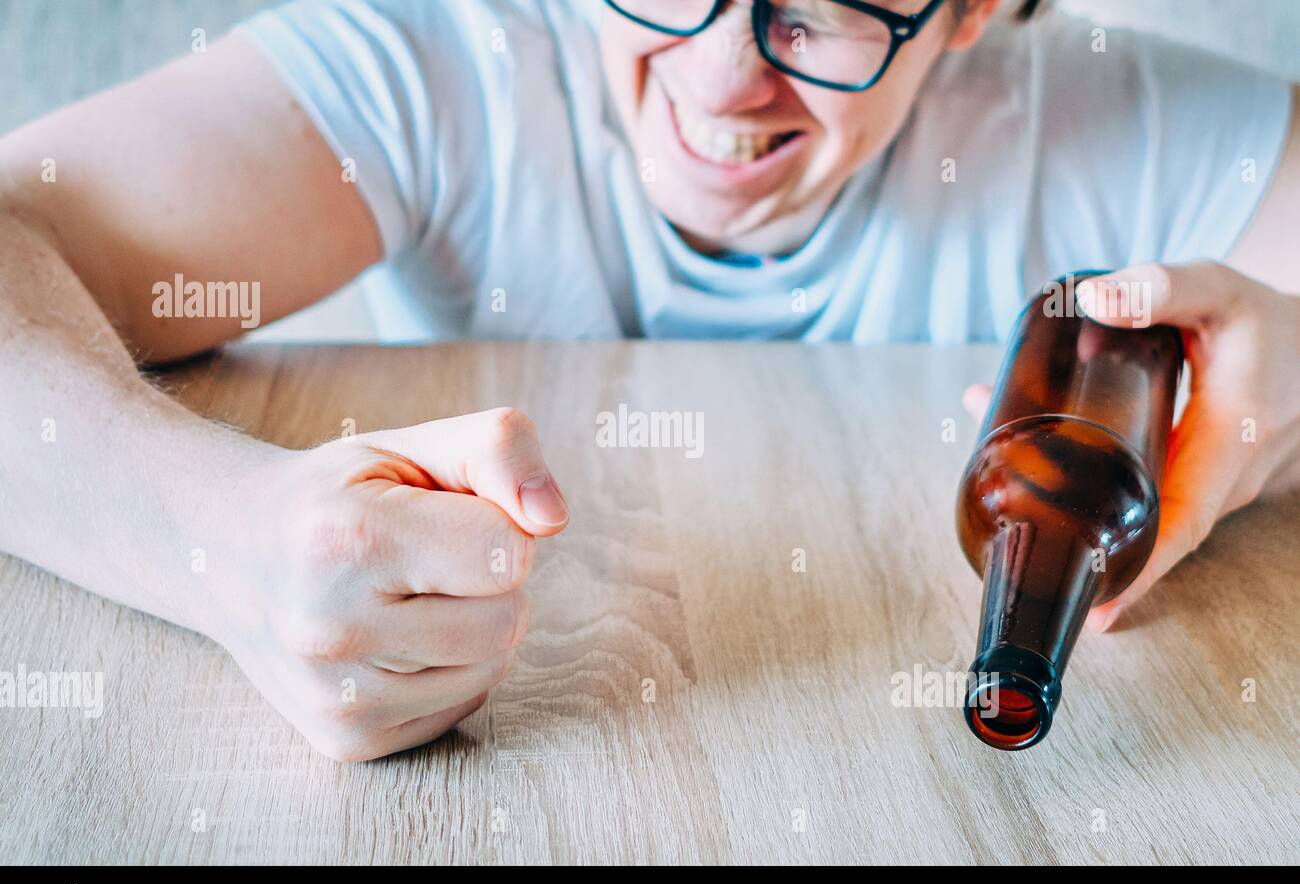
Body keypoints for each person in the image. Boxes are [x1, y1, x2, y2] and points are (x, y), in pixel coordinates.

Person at [0, 0, 1295, 761]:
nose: (726, 72)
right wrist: (222, 541)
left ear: (965, 13)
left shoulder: (1123, 120)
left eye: (824, 2)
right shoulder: (439, 61)